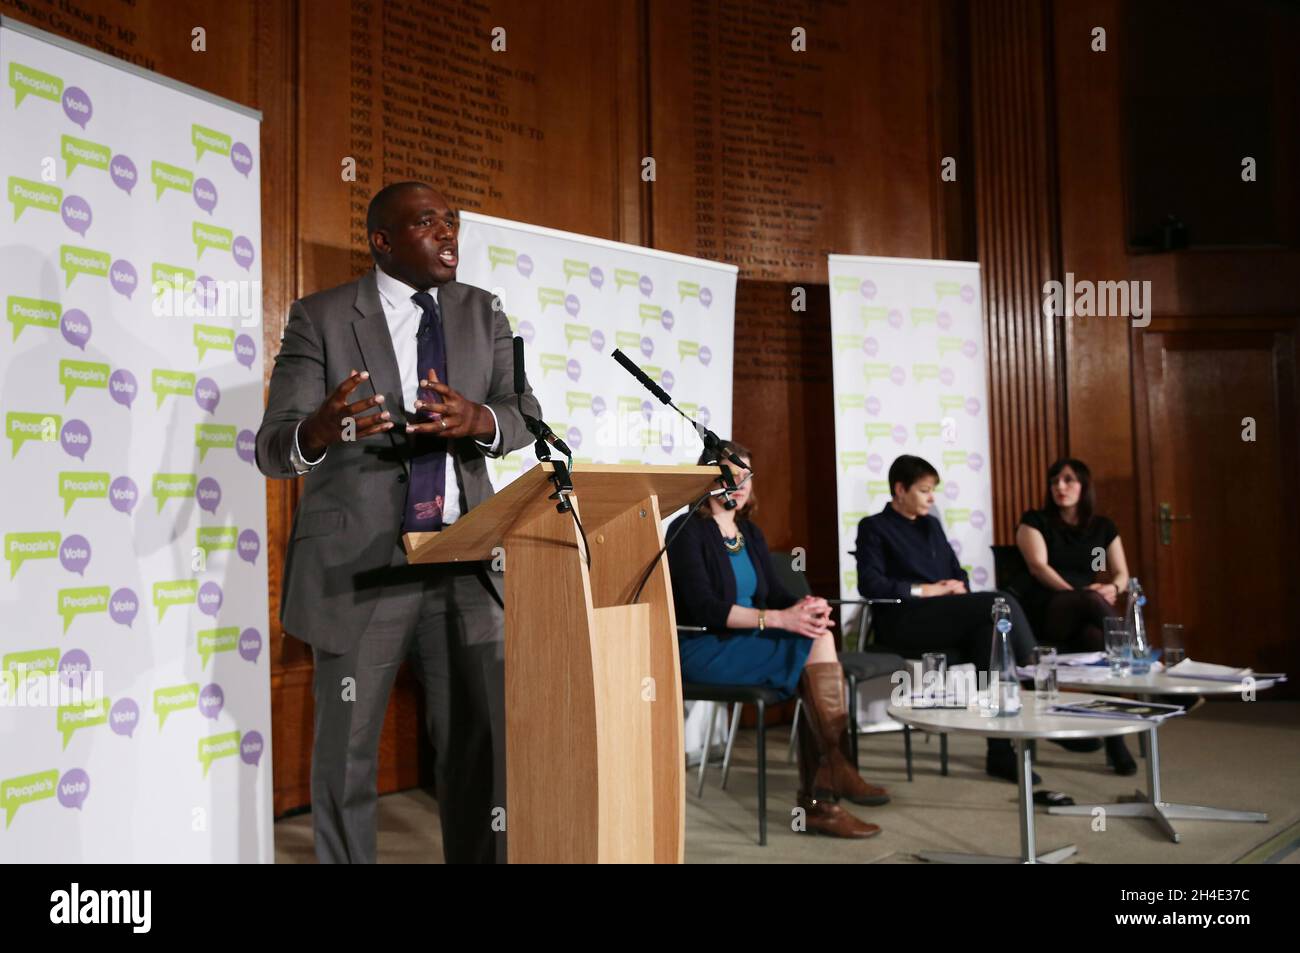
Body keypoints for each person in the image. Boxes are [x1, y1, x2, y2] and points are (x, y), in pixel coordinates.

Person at [255, 181, 541, 863]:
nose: (447, 234)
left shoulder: (483, 311)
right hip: (361, 569)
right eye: (426, 222)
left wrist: (483, 420)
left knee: (478, 743)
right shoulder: (320, 316)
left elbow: (523, 411)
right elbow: (274, 446)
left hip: (463, 561)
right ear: (382, 240)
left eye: (452, 221)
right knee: (347, 753)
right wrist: (319, 430)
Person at [667, 442, 889, 839]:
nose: (737, 485)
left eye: (744, 477)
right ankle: (828, 787)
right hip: (703, 645)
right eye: (726, 477)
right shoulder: (686, 531)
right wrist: (782, 619)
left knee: (816, 633)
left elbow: (772, 593)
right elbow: (705, 609)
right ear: (705, 480)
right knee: (814, 645)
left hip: (750, 639)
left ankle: (826, 792)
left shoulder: (749, 531)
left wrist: (806, 604)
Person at [855, 454, 1039, 783]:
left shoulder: (931, 525)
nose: (931, 498)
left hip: (942, 618)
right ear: (900, 489)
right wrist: (928, 590)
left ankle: (999, 752)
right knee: (1001, 600)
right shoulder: (874, 527)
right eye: (925, 490)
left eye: (933, 490)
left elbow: (957, 573)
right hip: (902, 622)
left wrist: (957, 586)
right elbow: (871, 584)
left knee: (988, 635)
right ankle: (1035, 673)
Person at [1016, 457, 1136, 775]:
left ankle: (1115, 741)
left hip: (1090, 614)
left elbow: (1122, 574)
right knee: (1091, 604)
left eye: (1068, 480)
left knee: (1099, 640)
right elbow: (1038, 567)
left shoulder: (1102, 527)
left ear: (1084, 486)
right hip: (1048, 609)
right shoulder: (1035, 521)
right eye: (1055, 481)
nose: (1060, 487)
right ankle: (1143, 667)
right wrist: (1082, 594)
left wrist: (1112, 588)